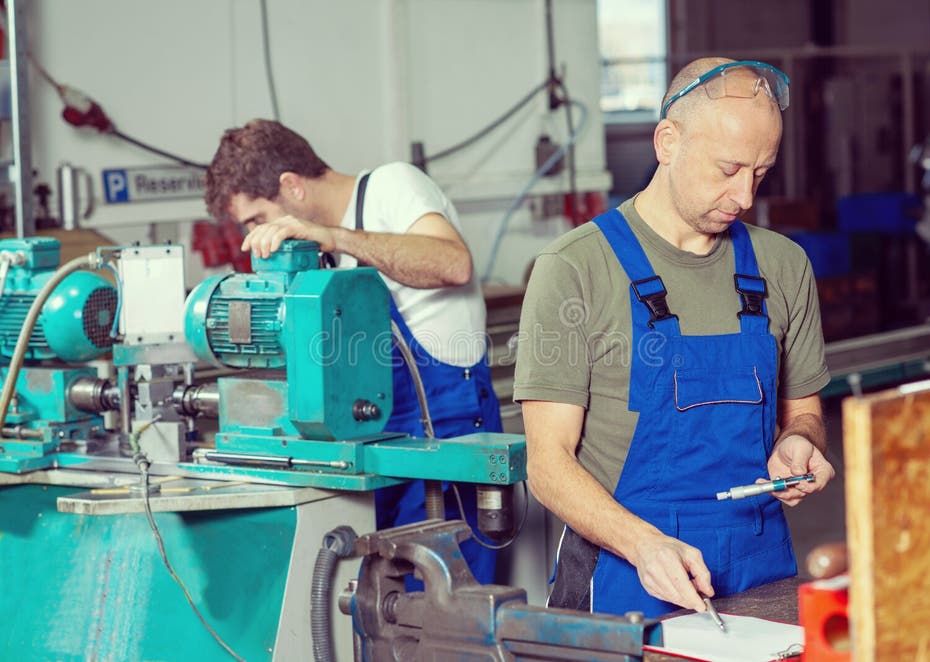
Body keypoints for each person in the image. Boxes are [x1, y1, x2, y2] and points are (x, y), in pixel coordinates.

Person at [513, 58, 836, 617]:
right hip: (626, 576)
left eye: (761, 173)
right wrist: (644, 545)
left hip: (760, 571)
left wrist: (800, 443)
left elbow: (804, 412)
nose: (744, 196)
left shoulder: (784, 265)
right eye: (728, 168)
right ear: (668, 141)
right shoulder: (574, 268)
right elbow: (547, 464)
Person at [205, 119, 502, 583]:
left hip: (447, 440)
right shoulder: (322, 254)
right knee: (384, 615)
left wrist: (337, 237)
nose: (262, 233)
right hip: (376, 447)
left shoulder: (390, 186)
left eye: (258, 219)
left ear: (291, 186)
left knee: (451, 611)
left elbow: (453, 262)